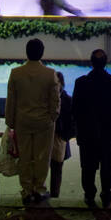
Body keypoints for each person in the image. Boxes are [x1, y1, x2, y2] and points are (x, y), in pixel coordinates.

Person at [5, 38, 61, 205]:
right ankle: (39, 188)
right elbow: (55, 101)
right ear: (42, 53)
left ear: (27, 52)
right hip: (44, 123)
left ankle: (27, 189)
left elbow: (11, 100)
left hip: (22, 121)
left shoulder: (16, 73)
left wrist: (10, 122)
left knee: (24, 156)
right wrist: (53, 117)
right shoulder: (50, 74)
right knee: (42, 157)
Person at [73, 48, 111, 209]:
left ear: (91, 62)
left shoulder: (81, 82)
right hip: (107, 131)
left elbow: (75, 109)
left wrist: (79, 128)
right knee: (107, 165)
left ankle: (89, 194)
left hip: (87, 131)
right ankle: (106, 192)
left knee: (88, 166)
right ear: (105, 63)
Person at [49, 71, 76, 199]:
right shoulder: (65, 99)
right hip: (49, 137)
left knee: (56, 168)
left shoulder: (68, 100)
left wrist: (65, 136)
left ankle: (54, 194)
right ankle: (46, 193)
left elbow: (73, 122)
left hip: (59, 138)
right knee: (49, 168)